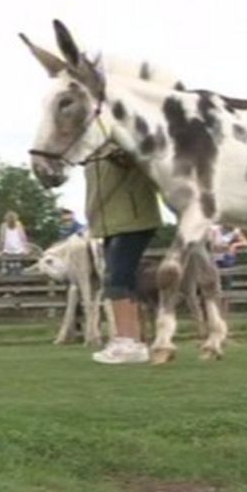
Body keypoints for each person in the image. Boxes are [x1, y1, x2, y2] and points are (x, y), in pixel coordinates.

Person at [86, 156, 161, 365]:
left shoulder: (120, 144)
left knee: (118, 277)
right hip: (111, 222)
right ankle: (131, 340)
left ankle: (128, 341)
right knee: (119, 278)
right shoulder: (93, 152)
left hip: (132, 220)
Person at [0, 210, 32, 275]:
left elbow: (2, 240)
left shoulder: (6, 225)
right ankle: (14, 267)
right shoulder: (15, 224)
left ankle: (9, 268)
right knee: (14, 262)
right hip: (14, 249)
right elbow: (23, 238)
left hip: (11, 249)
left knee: (10, 261)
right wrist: (26, 248)